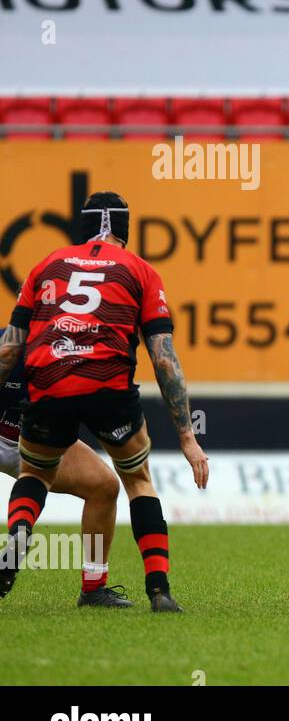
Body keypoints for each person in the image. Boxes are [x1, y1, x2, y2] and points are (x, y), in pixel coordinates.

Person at [0, 191, 209, 613]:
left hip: (45, 388)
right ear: (126, 232)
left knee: (38, 474)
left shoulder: (46, 265)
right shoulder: (141, 271)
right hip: (106, 385)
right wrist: (188, 437)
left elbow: (9, 350)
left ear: (80, 227)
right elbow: (164, 360)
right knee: (136, 480)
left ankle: (15, 548)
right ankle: (159, 590)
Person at [0, 350, 129, 606]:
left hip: (40, 439)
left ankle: (93, 588)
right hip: (32, 438)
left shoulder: (74, 351)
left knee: (104, 487)